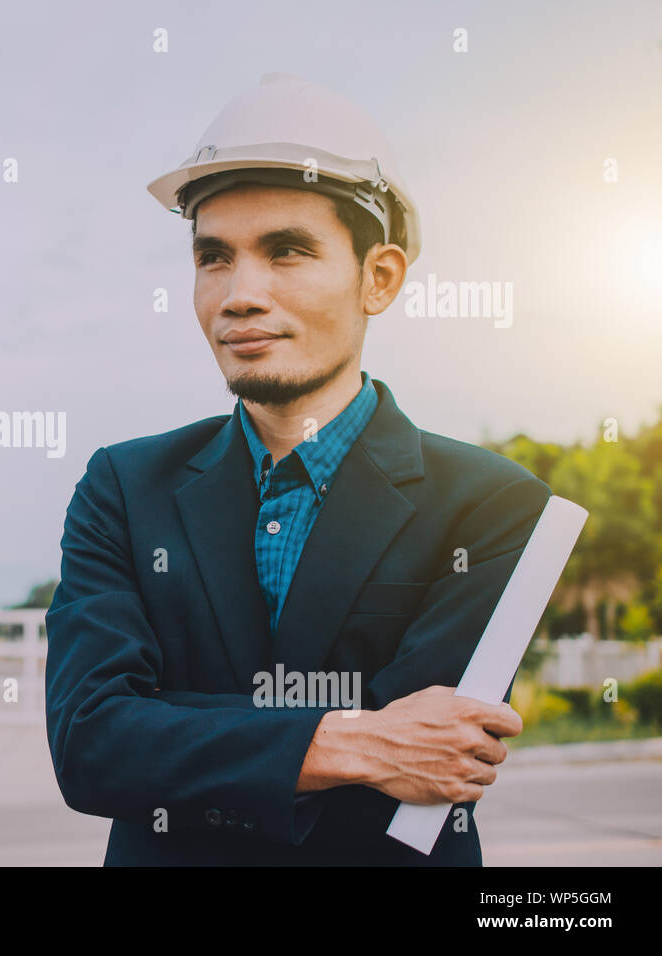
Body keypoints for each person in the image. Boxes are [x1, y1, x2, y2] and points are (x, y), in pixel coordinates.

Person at [44, 73, 548, 866]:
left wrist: (184, 732)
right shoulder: (123, 489)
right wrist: (362, 740)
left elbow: (427, 764)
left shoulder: (493, 507)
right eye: (214, 257)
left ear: (377, 278)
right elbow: (91, 743)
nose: (240, 294)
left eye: (286, 252)